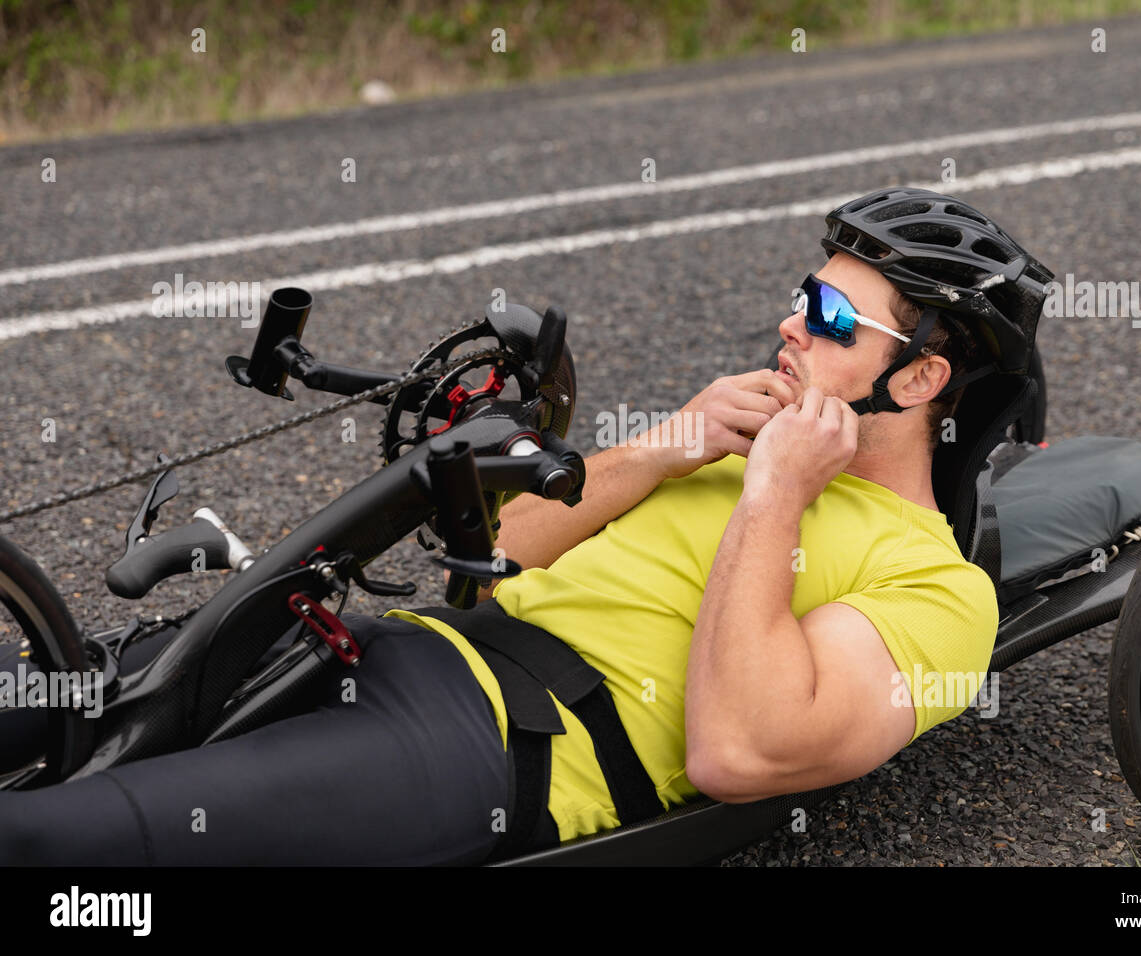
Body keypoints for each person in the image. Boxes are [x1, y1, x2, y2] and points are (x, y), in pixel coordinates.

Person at [0, 187, 1052, 865]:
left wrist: (775, 494)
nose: (789, 322)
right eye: (800, 295)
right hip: (393, 646)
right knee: (47, 707)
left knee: (70, 846)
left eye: (830, 320)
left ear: (919, 376)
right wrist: (670, 444)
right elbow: (498, 562)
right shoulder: (728, 449)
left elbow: (739, 748)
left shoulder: (937, 590)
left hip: (487, 744)